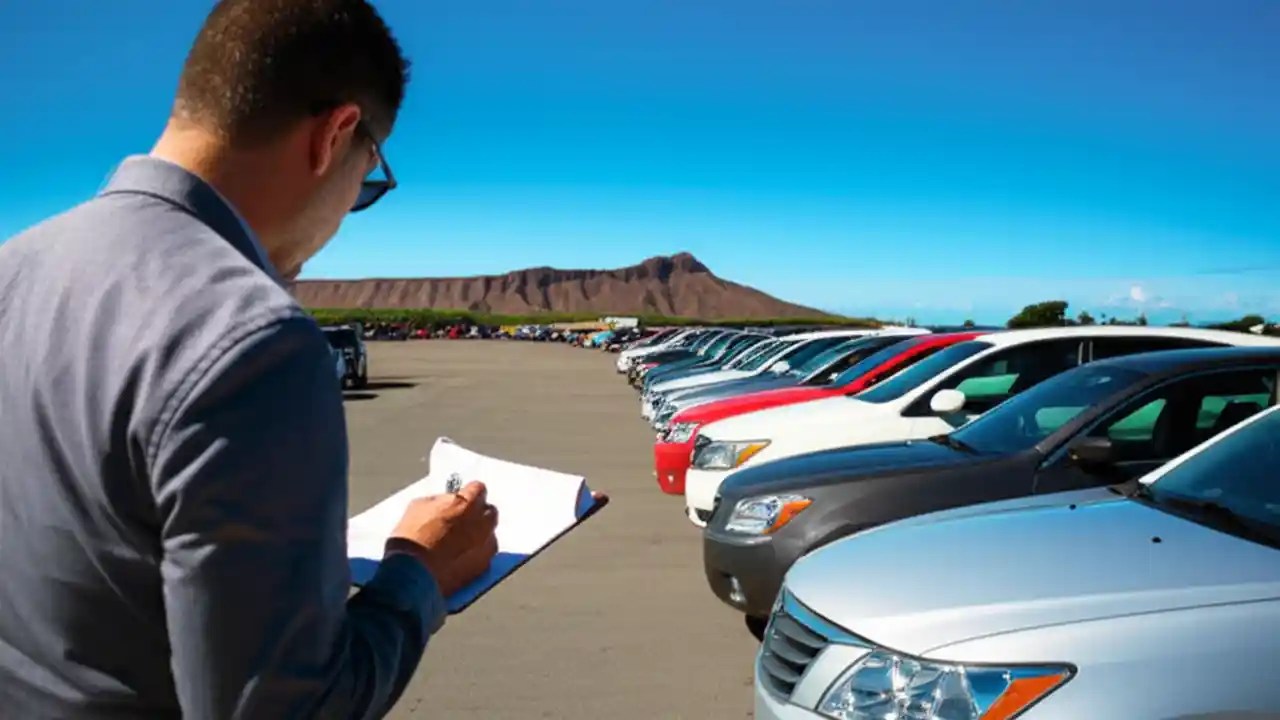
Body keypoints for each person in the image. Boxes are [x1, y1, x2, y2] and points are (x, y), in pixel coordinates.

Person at [0, 1, 523, 717]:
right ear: (335, 136)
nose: (347, 211)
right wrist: (418, 572)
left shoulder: (14, 268)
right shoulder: (253, 340)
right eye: (368, 181)